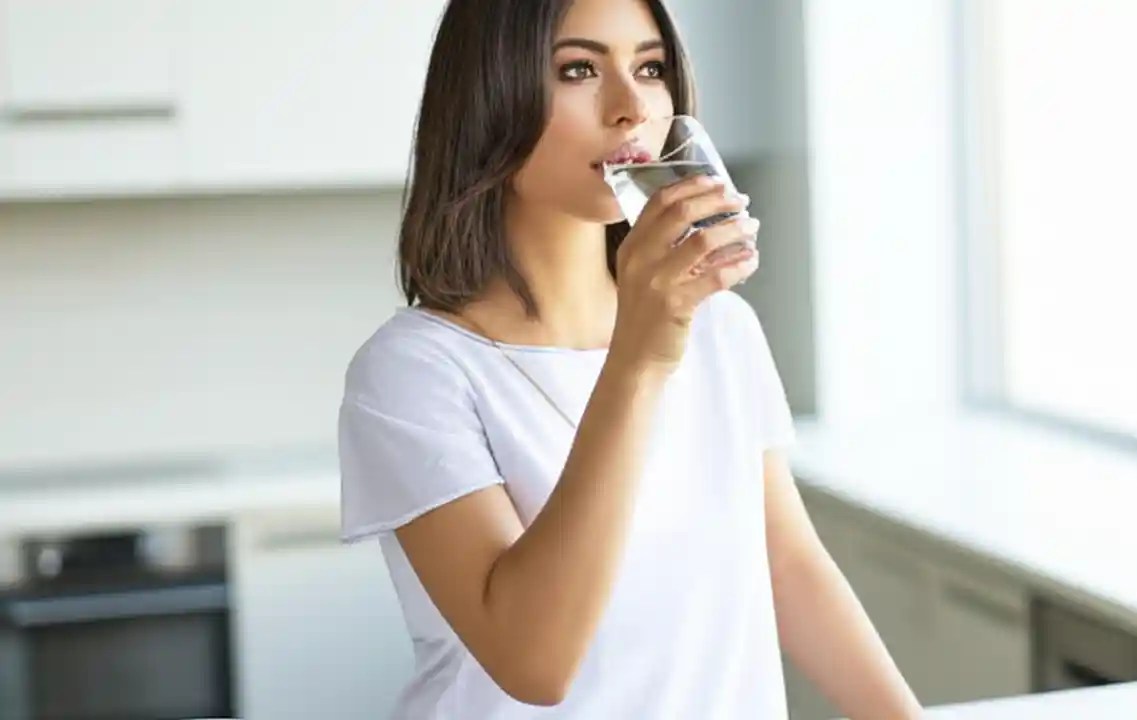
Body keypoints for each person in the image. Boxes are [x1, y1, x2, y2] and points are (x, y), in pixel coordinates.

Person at [337, 0, 923, 717]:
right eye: (578, 70)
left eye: (649, 69)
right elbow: (534, 664)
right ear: (488, 96)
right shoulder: (413, 374)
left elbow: (789, 565)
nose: (632, 108)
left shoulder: (721, 328)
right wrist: (639, 359)